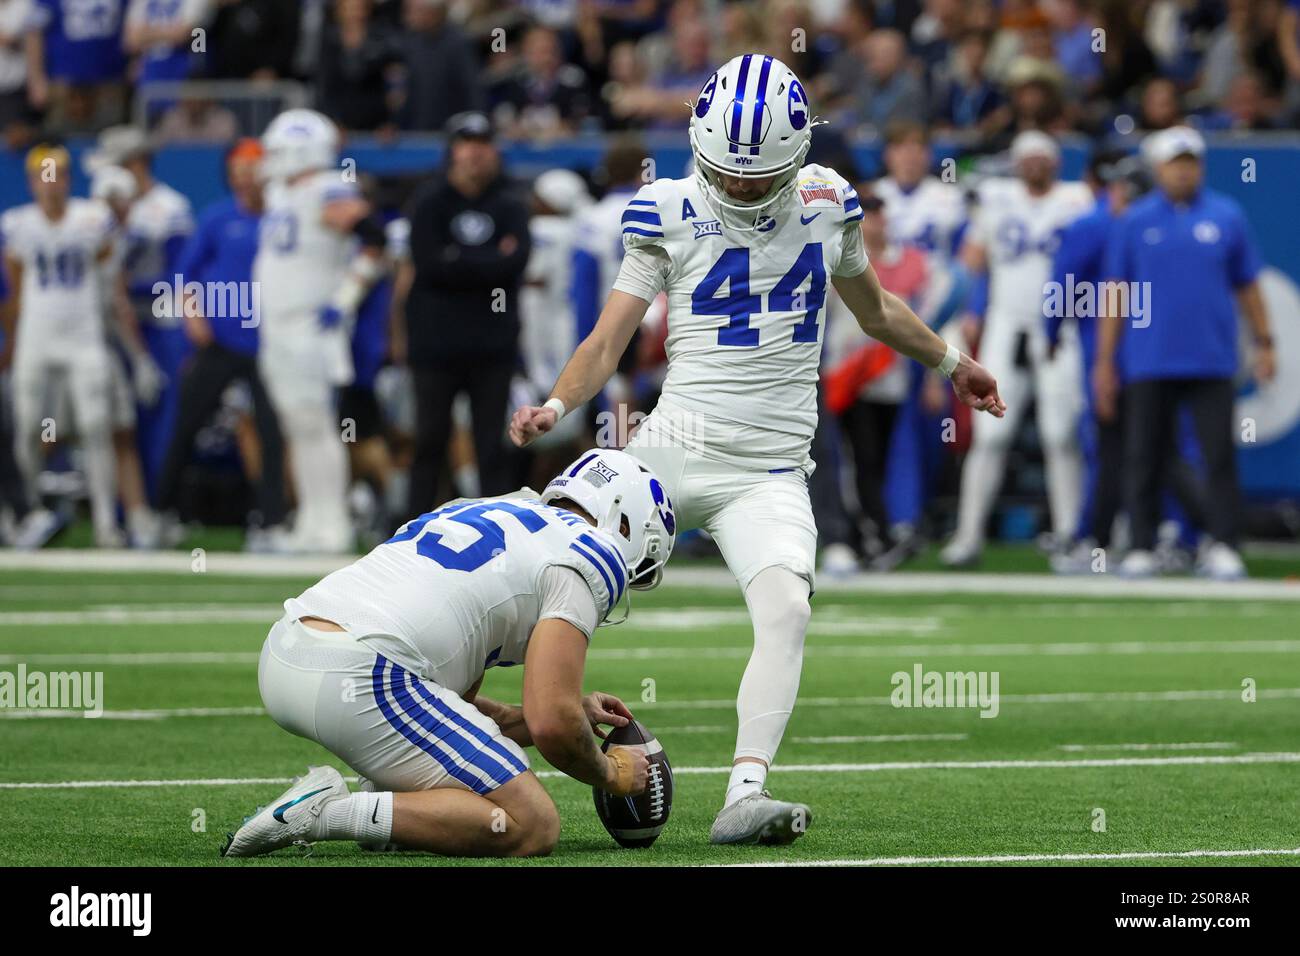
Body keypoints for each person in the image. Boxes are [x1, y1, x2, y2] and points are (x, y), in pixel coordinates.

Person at [509, 55, 1004, 845]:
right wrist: (559, 404)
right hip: (675, 445)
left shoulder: (825, 201)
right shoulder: (667, 208)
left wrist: (954, 363)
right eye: (724, 174)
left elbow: (874, 310)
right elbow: (610, 338)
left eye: (754, 177)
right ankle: (470, 722)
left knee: (787, 609)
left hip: (769, 468)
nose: (737, 187)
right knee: (543, 557)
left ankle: (744, 794)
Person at [222, 448, 675, 858]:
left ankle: (390, 810)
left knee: (472, 782)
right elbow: (553, 723)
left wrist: (562, 714)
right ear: (625, 524)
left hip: (289, 648)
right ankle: (328, 812)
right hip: (366, 670)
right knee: (532, 824)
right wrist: (611, 773)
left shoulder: (486, 508)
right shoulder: (591, 551)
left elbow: (455, 703)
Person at [1095, 125, 1275, 580]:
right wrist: (1104, 362)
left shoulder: (1226, 215)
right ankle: (1141, 544)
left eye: (1191, 162)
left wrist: (1264, 341)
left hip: (1211, 358)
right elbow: (1116, 294)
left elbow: (1248, 284)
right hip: (1148, 357)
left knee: (1218, 456)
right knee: (1144, 455)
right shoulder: (1134, 221)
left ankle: (1223, 544)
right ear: (1157, 169)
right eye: (1176, 163)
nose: (1184, 172)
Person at [942, 130, 1093, 567]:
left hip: (1059, 326)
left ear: (1056, 162)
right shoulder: (996, 198)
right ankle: (968, 536)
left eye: (1041, 158)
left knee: (1060, 435)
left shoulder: (1076, 199)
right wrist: (963, 309)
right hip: (1006, 324)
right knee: (991, 436)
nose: (1033, 165)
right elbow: (970, 262)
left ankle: (1070, 537)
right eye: (1025, 158)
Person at [254, 108, 388, 554]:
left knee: (317, 424)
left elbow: (376, 238)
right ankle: (312, 520)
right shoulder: (281, 194)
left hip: (310, 324)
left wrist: (346, 297)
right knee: (297, 425)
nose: (270, 158)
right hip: (280, 326)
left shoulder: (326, 186)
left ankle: (333, 522)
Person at [396, 111, 531, 514]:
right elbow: (429, 264)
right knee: (428, 442)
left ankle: (499, 534)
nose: (475, 153)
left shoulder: (510, 202)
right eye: (466, 143)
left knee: (492, 444)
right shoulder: (429, 201)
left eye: (483, 143)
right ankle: (410, 530)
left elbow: (517, 262)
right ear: (452, 150)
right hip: (435, 346)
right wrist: (490, 260)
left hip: (492, 347)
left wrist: (458, 260)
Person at [157, 138, 287, 541]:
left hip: (270, 345)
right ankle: (160, 515)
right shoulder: (216, 218)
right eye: (239, 170)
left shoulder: (282, 219)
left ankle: (270, 523)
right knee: (185, 423)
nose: (246, 178)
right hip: (219, 340)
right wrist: (194, 319)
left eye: (253, 168)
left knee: (271, 432)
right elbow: (185, 274)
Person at [1, 144, 119, 546]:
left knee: (96, 424)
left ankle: (107, 522)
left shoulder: (92, 218)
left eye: (57, 176)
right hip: (38, 335)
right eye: (42, 176)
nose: (50, 185)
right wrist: (13, 342)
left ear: (68, 179)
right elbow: (14, 290)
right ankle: (25, 515)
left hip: (84, 335)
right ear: (32, 181)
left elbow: (109, 273)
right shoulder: (19, 224)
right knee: (27, 426)